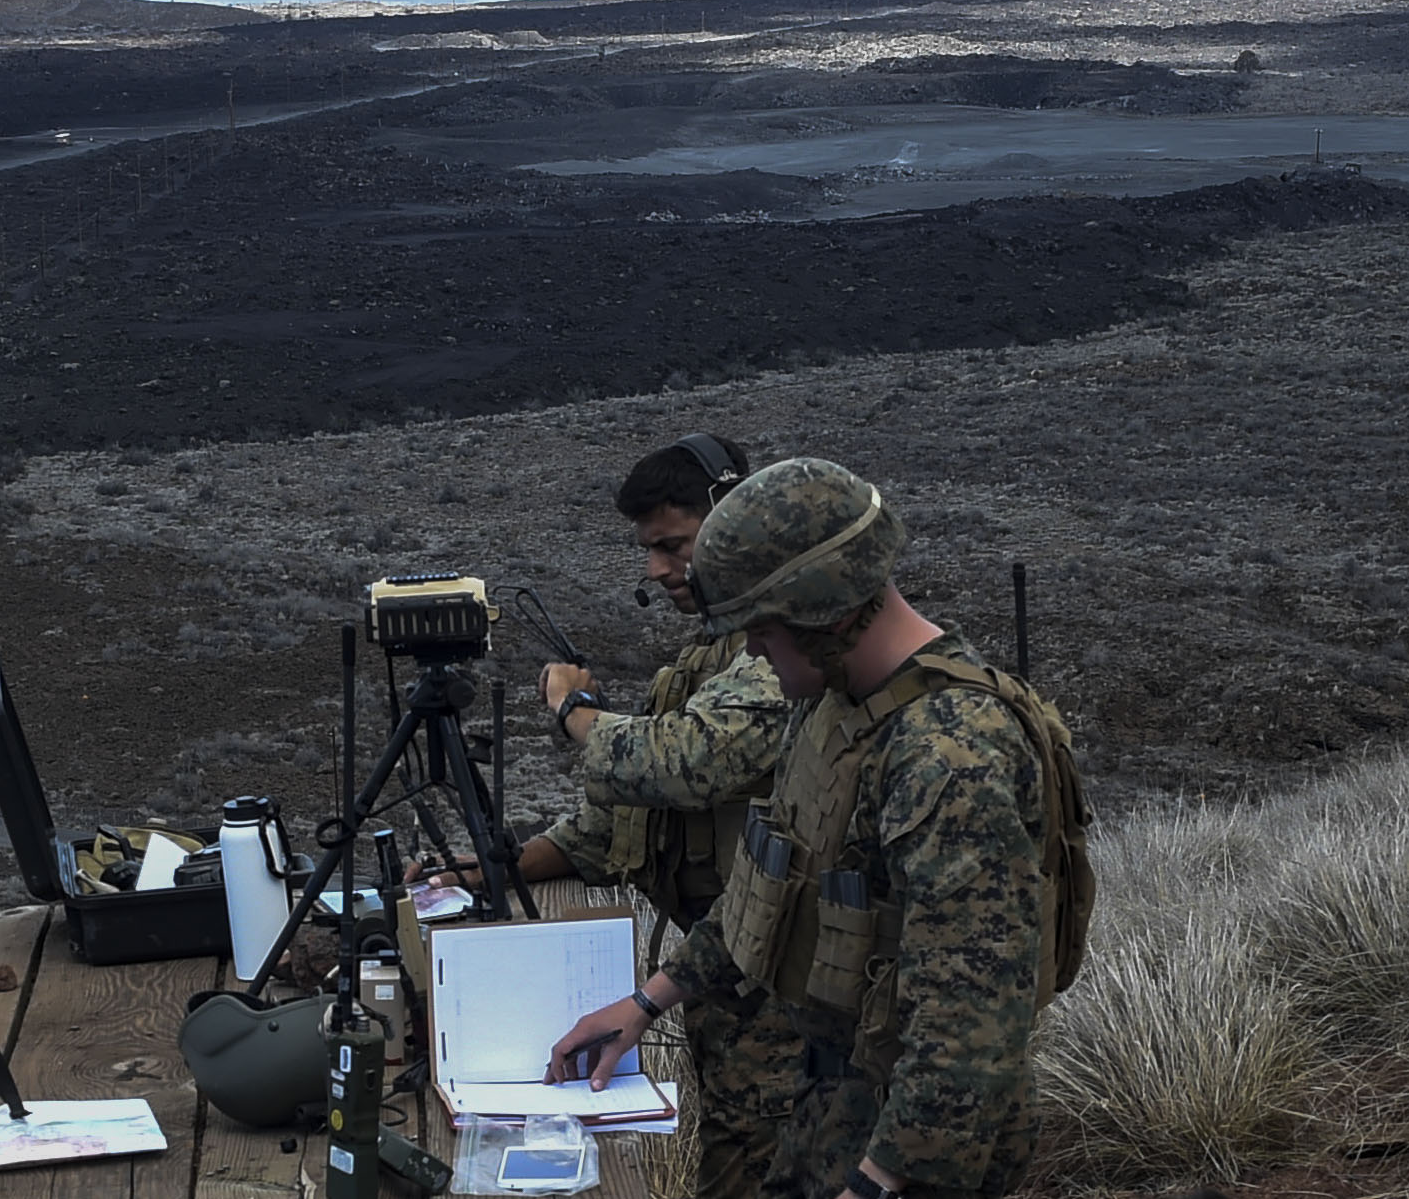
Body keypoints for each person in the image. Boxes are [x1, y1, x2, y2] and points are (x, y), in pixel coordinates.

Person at [549, 457, 1078, 1199]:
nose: (754, 653)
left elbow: (969, 1026)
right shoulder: (832, 703)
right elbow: (767, 893)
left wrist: (879, 1181)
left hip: (917, 1141)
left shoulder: (951, 756)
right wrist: (648, 1002)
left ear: (825, 614)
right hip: (833, 1098)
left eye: (761, 630)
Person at [426, 433, 803, 1199]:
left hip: (784, 995)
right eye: (650, 550)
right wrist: (495, 867)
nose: (656, 570)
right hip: (724, 974)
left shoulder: (785, 655)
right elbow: (626, 822)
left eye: (674, 547)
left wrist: (571, 711)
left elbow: (686, 764)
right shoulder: (709, 660)